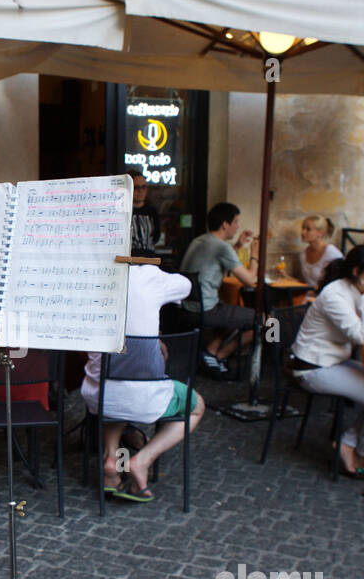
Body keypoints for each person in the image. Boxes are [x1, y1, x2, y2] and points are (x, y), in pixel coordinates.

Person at [82, 250, 204, 502]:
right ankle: (142, 460)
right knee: (197, 406)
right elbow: (186, 285)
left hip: (100, 397)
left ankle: (111, 458)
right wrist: (155, 271)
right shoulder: (149, 276)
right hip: (142, 397)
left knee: (115, 386)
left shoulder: (89, 276)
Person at [287, 245, 364, 475]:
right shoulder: (335, 295)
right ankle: (362, 454)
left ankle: (347, 442)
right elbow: (363, 338)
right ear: (358, 271)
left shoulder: (355, 291)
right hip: (312, 368)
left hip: (333, 362)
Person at [179, 201, 257, 377]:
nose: (237, 227)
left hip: (188, 307)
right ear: (225, 224)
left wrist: (237, 246)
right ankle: (222, 355)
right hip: (207, 310)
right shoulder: (221, 246)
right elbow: (250, 281)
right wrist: (255, 254)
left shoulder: (200, 240)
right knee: (267, 320)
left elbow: (220, 259)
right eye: (236, 222)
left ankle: (210, 353)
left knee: (232, 311)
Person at [298, 215, 343, 290]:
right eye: (303, 228)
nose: (303, 232)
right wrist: (285, 276)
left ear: (320, 233)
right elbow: (305, 283)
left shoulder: (331, 253)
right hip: (308, 295)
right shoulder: (303, 254)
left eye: (308, 229)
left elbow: (339, 282)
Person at [127, 171, 161, 252]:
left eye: (143, 187)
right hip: (129, 258)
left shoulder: (152, 211)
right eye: (136, 187)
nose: (140, 191)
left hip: (148, 257)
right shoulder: (124, 212)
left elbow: (157, 236)